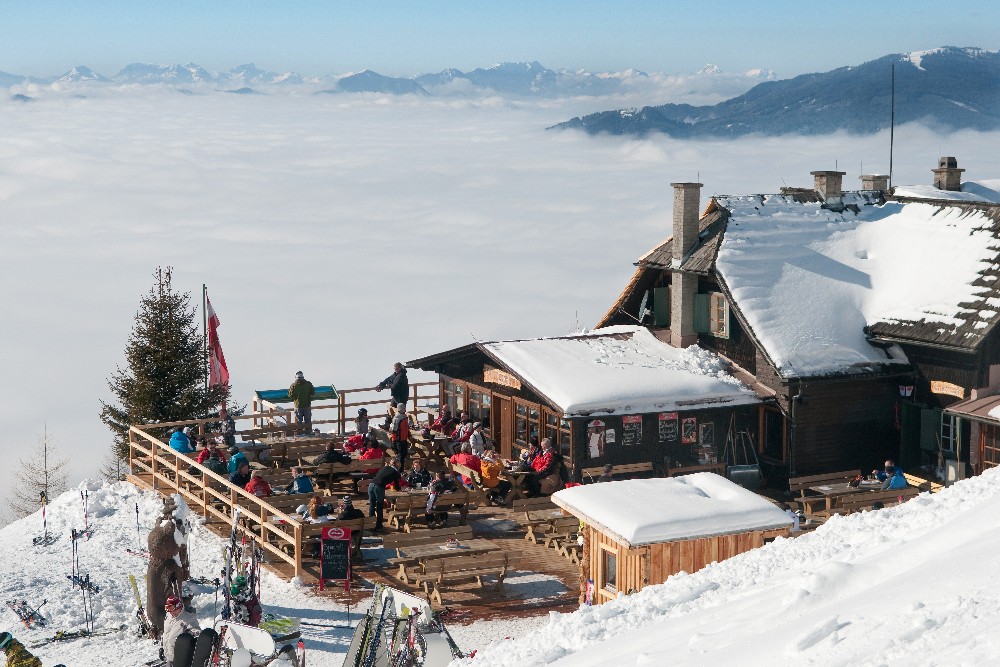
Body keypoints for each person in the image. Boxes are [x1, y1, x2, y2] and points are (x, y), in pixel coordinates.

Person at [161, 595, 199, 667]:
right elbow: (166, 634)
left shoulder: (188, 618)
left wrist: (190, 633)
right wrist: (162, 647)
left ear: (179, 606)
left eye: (173, 609)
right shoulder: (169, 617)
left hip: (180, 658)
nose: (172, 612)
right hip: (170, 658)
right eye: (168, 609)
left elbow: (197, 632)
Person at [368, 457, 402, 531]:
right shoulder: (395, 472)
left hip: (371, 484)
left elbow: (378, 474)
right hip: (379, 487)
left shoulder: (385, 467)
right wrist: (400, 489)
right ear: (398, 465)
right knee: (379, 506)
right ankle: (378, 526)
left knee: (372, 505)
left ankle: (370, 524)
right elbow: (397, 486)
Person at [390, 404, 411, 469]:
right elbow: (394, 430)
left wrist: (409, 434)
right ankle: (399, 469)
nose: (405, 409)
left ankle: (401, 468)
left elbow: (406, 427)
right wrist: (395, 440)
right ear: (399, 409)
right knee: (400, 455)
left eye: (405, 408)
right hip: (398, 440)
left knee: (404, 453)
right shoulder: (397, 418)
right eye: (403, 408)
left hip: (403, 439)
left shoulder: (404, 417)